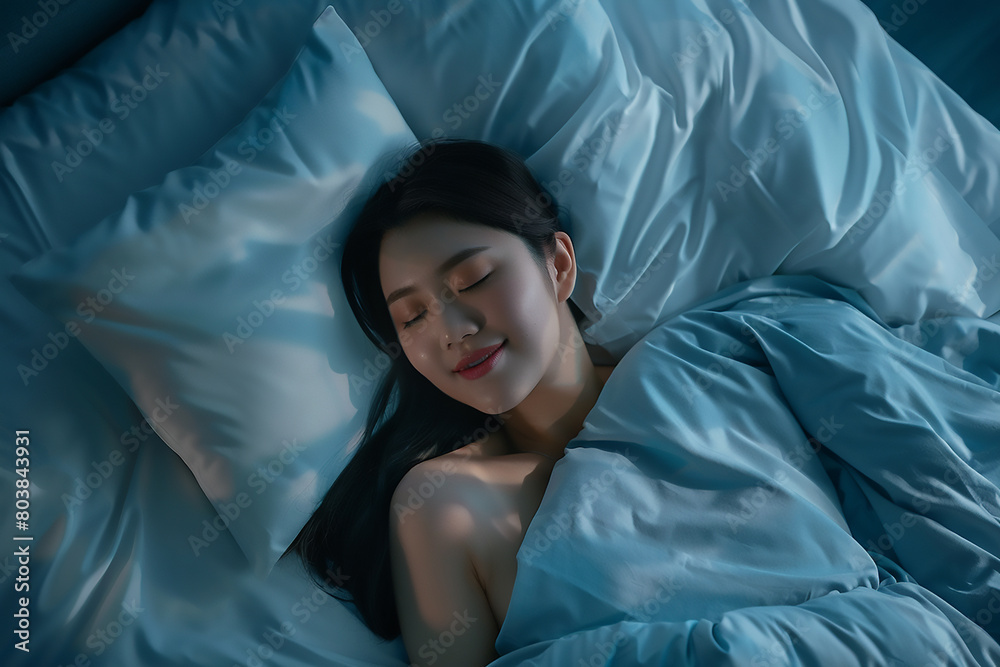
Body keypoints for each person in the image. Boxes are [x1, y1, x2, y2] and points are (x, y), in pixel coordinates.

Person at [284, 138, 617, 666]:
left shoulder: (692, 363)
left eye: (475, 279)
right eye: (412, 317)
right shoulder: (446, 506)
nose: (453, 331)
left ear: (558, 264)